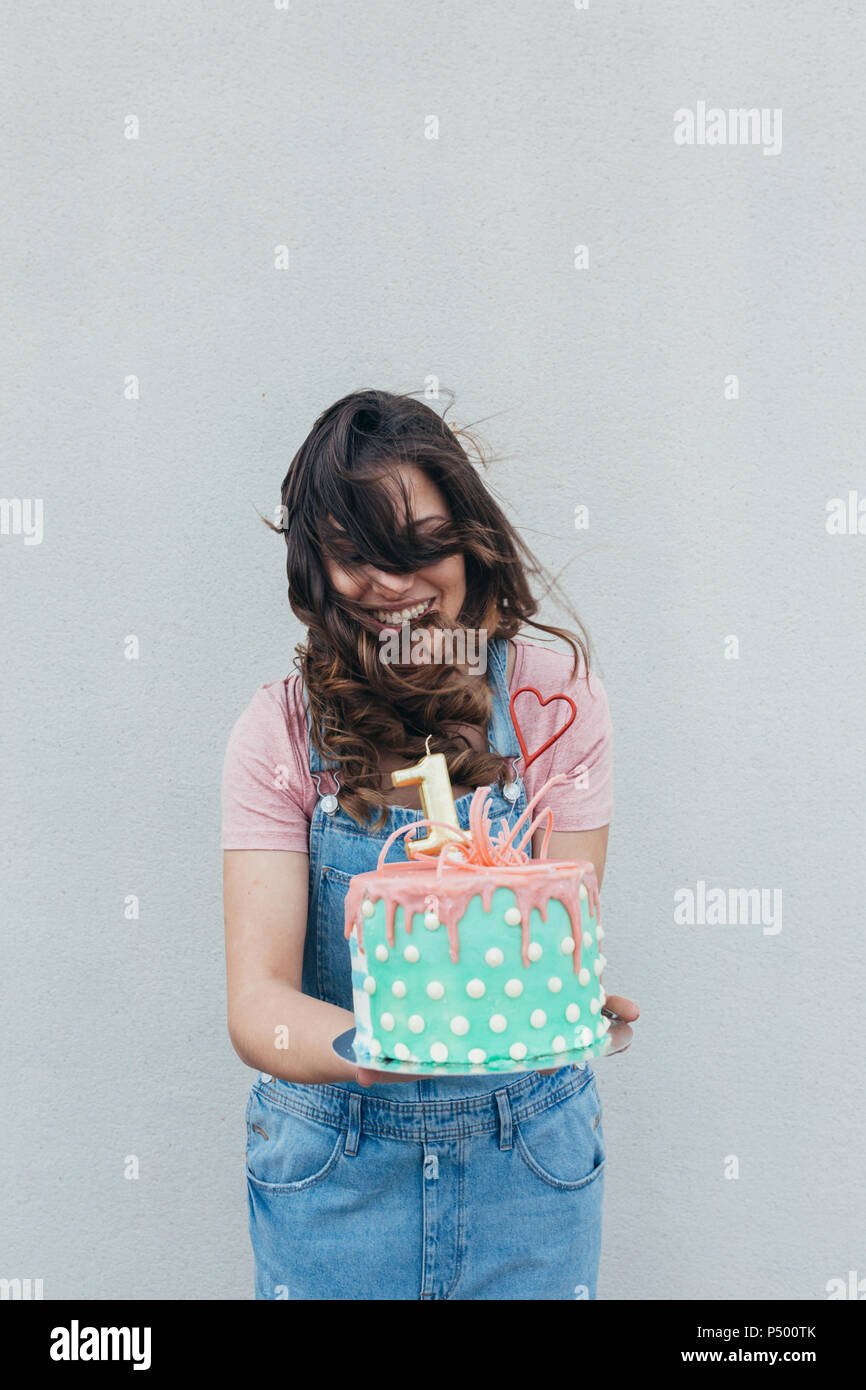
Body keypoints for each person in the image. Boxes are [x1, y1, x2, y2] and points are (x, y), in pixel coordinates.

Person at [222, 388, 638, 1300]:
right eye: (355, 555)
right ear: (314, 564)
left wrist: (560, 1006)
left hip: (527, 1165)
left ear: (470, 536)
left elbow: (549, 941)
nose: (395, 583)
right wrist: (396, 1043)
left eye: (421, 546)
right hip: (336, 1169)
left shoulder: (553, 703)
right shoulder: (281, 733)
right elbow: (258, 1008)